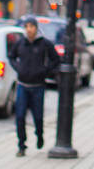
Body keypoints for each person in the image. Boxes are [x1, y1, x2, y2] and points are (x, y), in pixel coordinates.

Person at [8, 18, 59, 156]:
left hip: (38, 86)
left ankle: (39, 134)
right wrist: (18, 67)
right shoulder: (20, 43)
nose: (29, 29)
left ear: (36, 28)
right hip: (23, 85)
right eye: (27, 27)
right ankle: (21, 144)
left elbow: (56, 60)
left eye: (31, 26)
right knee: (20, 116)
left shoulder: (44, 44)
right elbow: (11, 56)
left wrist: (45, 70)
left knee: (38, 116)